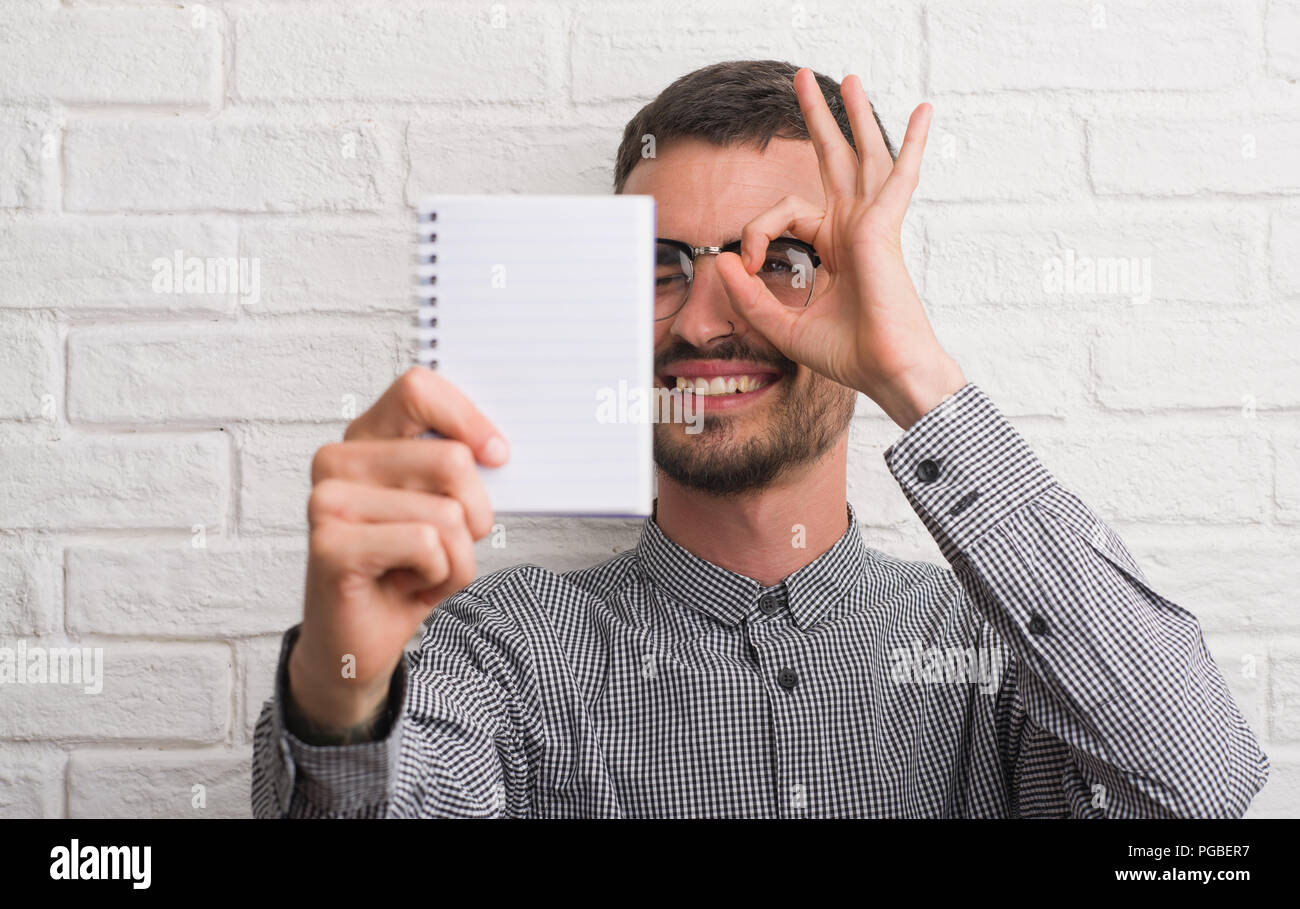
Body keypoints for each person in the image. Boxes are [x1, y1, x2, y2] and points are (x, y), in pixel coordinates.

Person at [251, 60, 1268, 818]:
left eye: (781, 258)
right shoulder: (506, 652)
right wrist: (341, 672)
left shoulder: (998, 652)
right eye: (659, 265)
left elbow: (1202, 796)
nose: (702, 322)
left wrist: (915, 374)